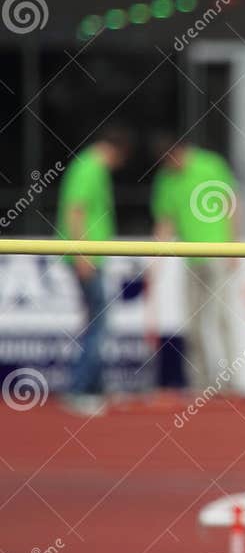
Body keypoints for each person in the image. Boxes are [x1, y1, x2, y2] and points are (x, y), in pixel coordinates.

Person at [149, 136, 239, 393]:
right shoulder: (166, 178)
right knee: (194, 321)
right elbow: (165, 220)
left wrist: (234, 246)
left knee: (221, 318)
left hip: (218, 254)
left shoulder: (210, 165)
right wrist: (156, 259)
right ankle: (200, 383)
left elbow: (232, 204)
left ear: (180, 151)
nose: (170, 165)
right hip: (190, 259)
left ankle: (231, 382)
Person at [56, 128, 132, 416]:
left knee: (97, 321)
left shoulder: (90, 166)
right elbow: (75, 210)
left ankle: (94, 387)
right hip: (86, 256)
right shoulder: (90, 167)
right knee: (100, 323)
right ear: (114, 151)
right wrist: (82, 255)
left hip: (89, 256)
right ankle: (80, 390)